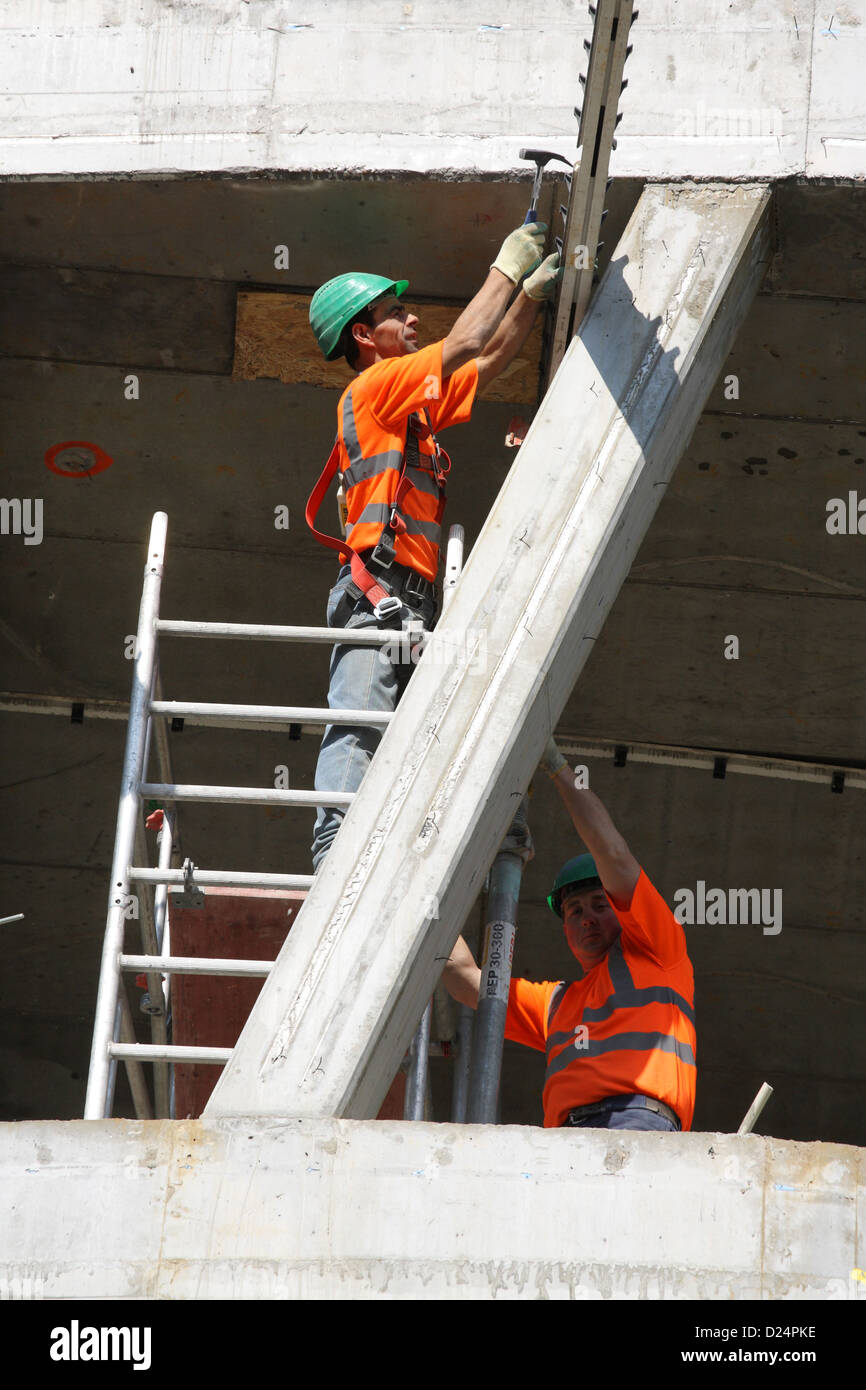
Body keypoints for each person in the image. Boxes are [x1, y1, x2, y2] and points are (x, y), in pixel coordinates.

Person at [306, 225, 560, 870]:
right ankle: (334, 844)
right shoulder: (374, 388)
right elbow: (468, 339)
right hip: (379, 594)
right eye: (395, 313)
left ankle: (483, 833)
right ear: (365, 336)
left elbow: (488, 360)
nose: (411, 317)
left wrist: (528, 298)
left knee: (443, 724)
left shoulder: (409, 405)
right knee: (361, 722)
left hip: (412, 599)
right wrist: (504, 271)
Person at [442, 740, 697, 1131]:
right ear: (565, 929)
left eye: (600, 904)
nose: (587, 918)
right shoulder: (556, 1004)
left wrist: (558, 768)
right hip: (564, 1141)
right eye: (575, 911)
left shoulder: (657, 950)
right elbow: (465, 981)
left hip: (636, 1124)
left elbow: (611, 853)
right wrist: (422, 895)